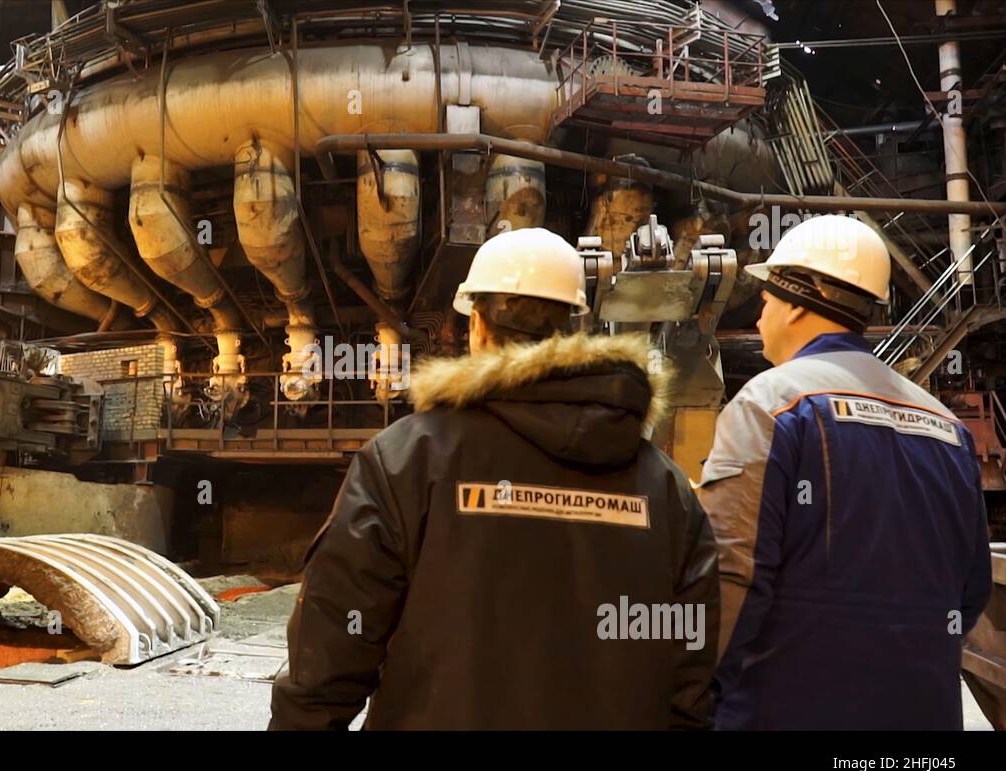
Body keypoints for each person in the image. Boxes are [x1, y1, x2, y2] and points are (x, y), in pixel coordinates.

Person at [269, 227, 718, 730]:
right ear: (575, 329)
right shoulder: (666, 489)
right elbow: (691, 682)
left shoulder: (405, 460)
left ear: (475, 326)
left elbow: (327, 661)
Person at [697, 214, 993, 729]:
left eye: (765, 301)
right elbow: (970, 592)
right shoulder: (949, 429)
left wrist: (688, 693)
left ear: (794, 304)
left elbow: (731, 579)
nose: (760, 316)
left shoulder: (770, 405)